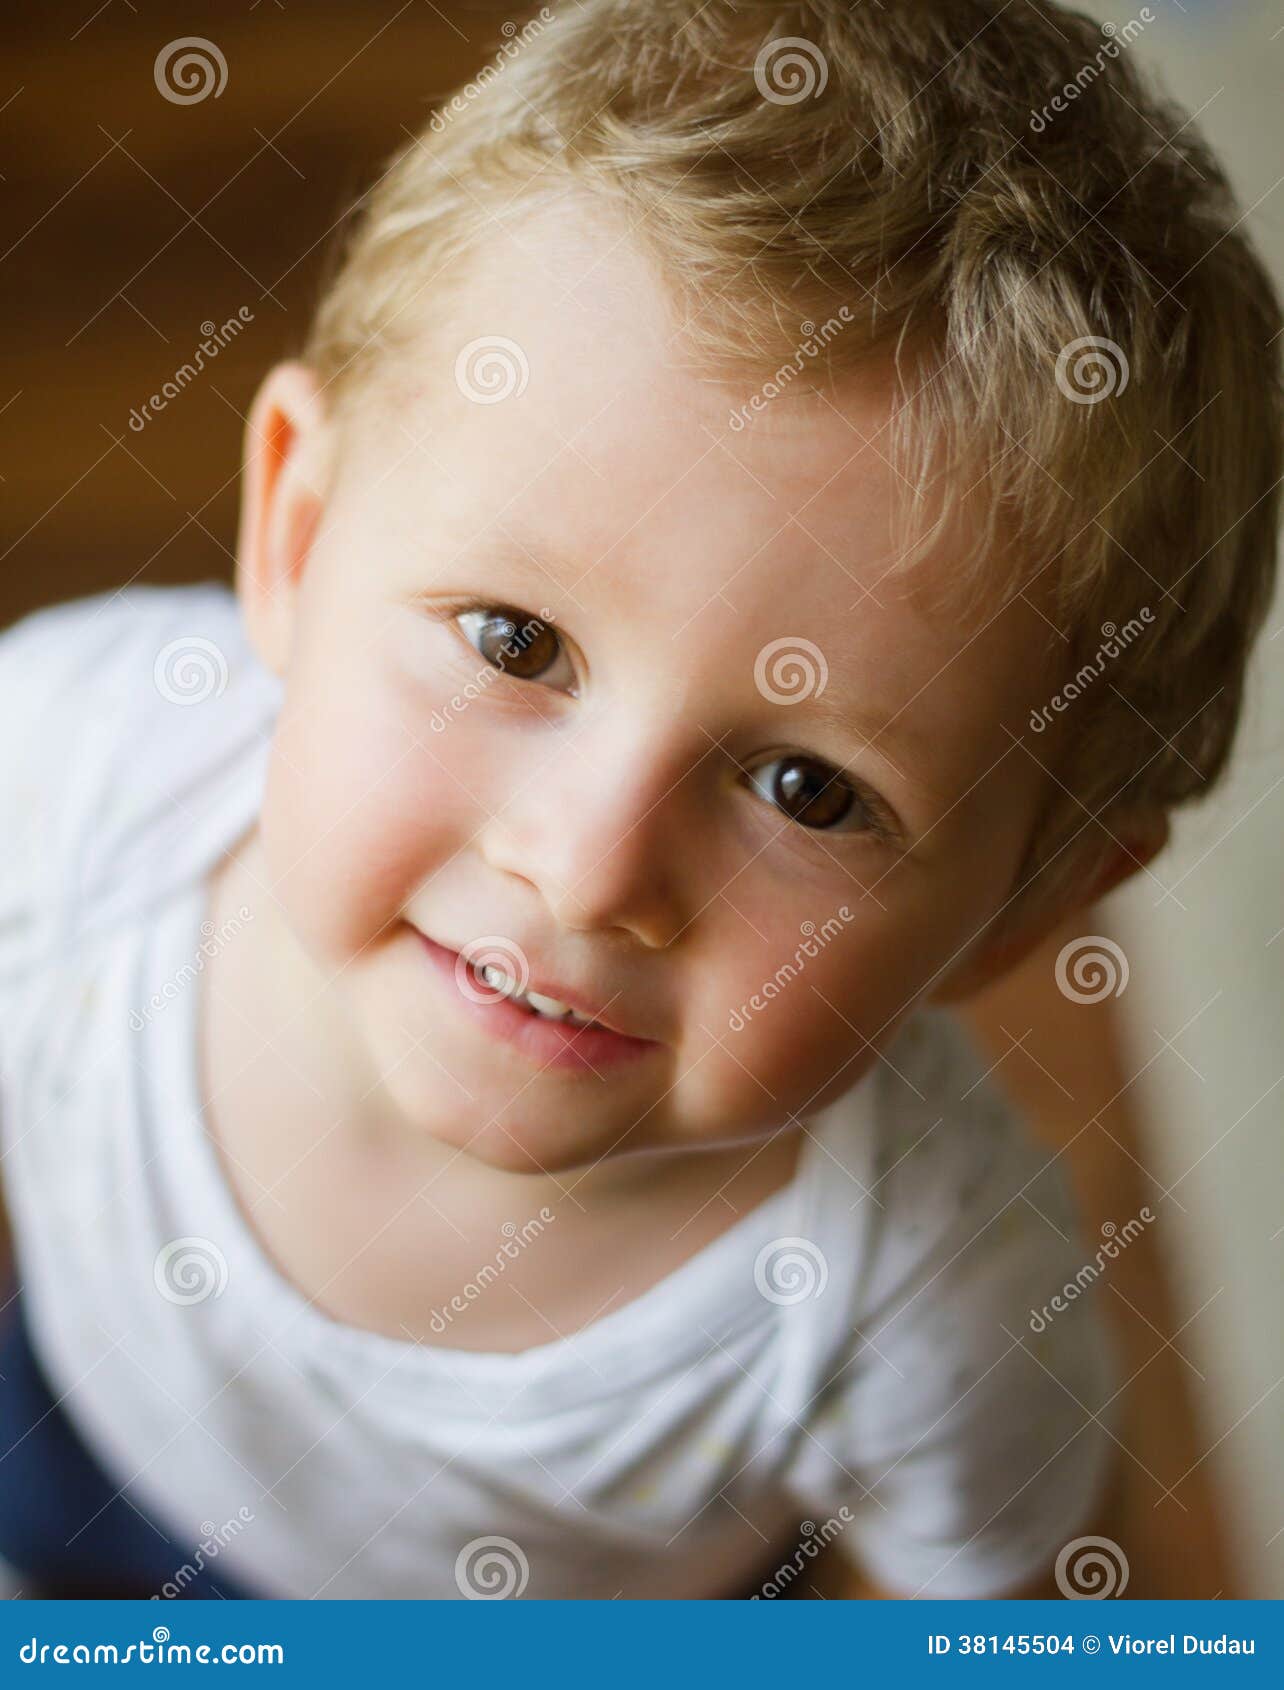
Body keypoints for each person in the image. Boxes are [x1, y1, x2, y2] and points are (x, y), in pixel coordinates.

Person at [0, 0, 1276, 1599]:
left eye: (810, 789)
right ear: (298, 535)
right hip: (79, 1452)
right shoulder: (62, 772)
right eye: (516, 642)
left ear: (1033, 904)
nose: (591, 868)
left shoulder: (929, 1301)